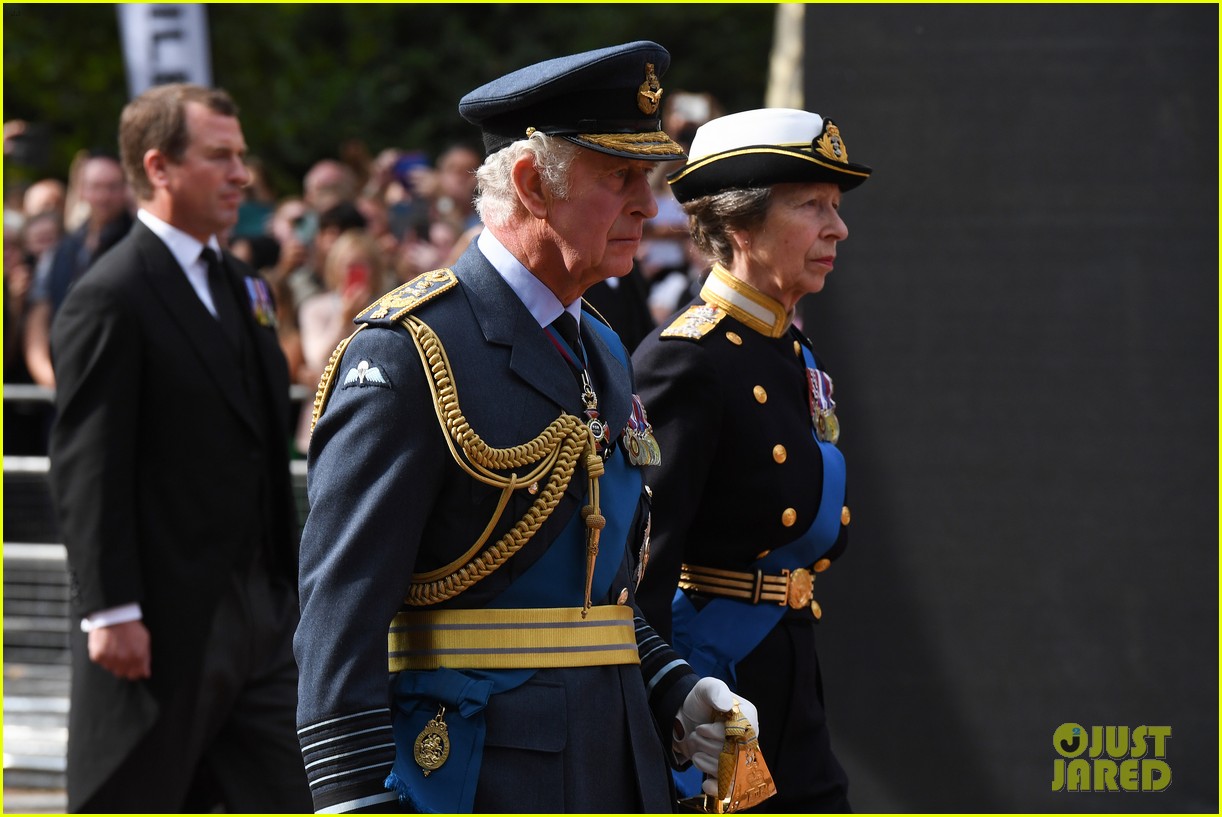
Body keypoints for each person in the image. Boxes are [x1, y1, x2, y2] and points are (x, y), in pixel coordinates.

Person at [295, 41, 764, 814]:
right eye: (620, 177)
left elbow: (589, 587)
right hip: (478, 776)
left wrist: (673, 687)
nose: (651, 205)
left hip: (616, 767)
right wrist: (353, 801)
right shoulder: (411, 348)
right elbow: (339, 615)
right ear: (529, 185)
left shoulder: (604, 345)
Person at [47, 83, 312, 813]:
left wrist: (284, 598)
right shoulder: (112, 293)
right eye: (220, 155)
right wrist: (110, 610)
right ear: (159, 167)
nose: (242, 174)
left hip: (260, 617)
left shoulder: (245, 286)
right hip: (162, 622)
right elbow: (88, 463)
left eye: (242, 155)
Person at [633, 108, 873, 812]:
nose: (838, 228)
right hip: (714, 694)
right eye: (812, 206)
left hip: (787, 683)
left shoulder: (795, 355)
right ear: (740, 226)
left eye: (835, 206)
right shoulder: (686, 362)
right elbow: (639, 574)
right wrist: (665, 712)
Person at [23, 153, 132, 388]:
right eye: (96, 187)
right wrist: (51, 377)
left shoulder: (138, 246)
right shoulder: (61, 249)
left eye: (112, 187)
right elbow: (39, 317)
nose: (103, 196)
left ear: (125, 189)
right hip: (63, 383)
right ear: (82, 190)